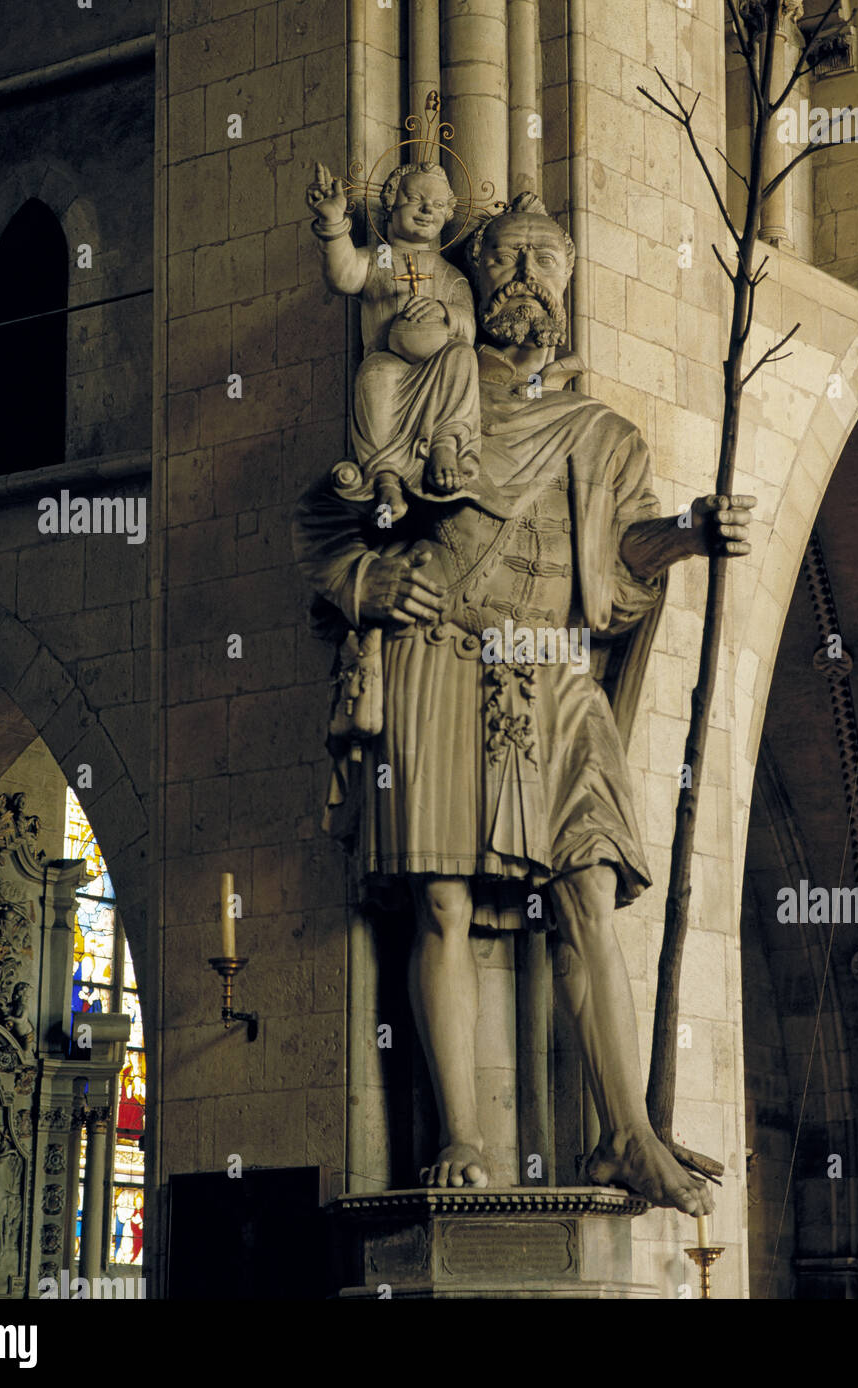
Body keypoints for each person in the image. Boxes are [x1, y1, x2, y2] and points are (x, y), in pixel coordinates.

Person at [295, 193, 753, 1216]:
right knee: (443, 902)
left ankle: (624, 1130)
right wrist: (369, 583)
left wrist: (688, 529)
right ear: (472, 273)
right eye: (508, 260)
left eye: (547, 263)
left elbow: (626, 560)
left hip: (554, 676)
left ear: (569, 286)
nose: (528, 280)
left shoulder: (600, 431)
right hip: (440, 656)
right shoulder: (418, 395)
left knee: (588, 892)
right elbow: (325, 523)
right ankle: (463, 1132)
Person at [307, 159, 480, 522]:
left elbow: (468, 326)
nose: (425, 209)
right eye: (414, 198)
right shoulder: (376, 259)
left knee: (463, 355)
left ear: (449, 214)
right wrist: (334, 223)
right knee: (375, 374)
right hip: (389, 360)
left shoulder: (451, 275)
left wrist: (444, 313)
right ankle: (385, 478)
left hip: (438, 364)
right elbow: (342, 276)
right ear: (391, 203)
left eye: (436, 204)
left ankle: (445, 446)